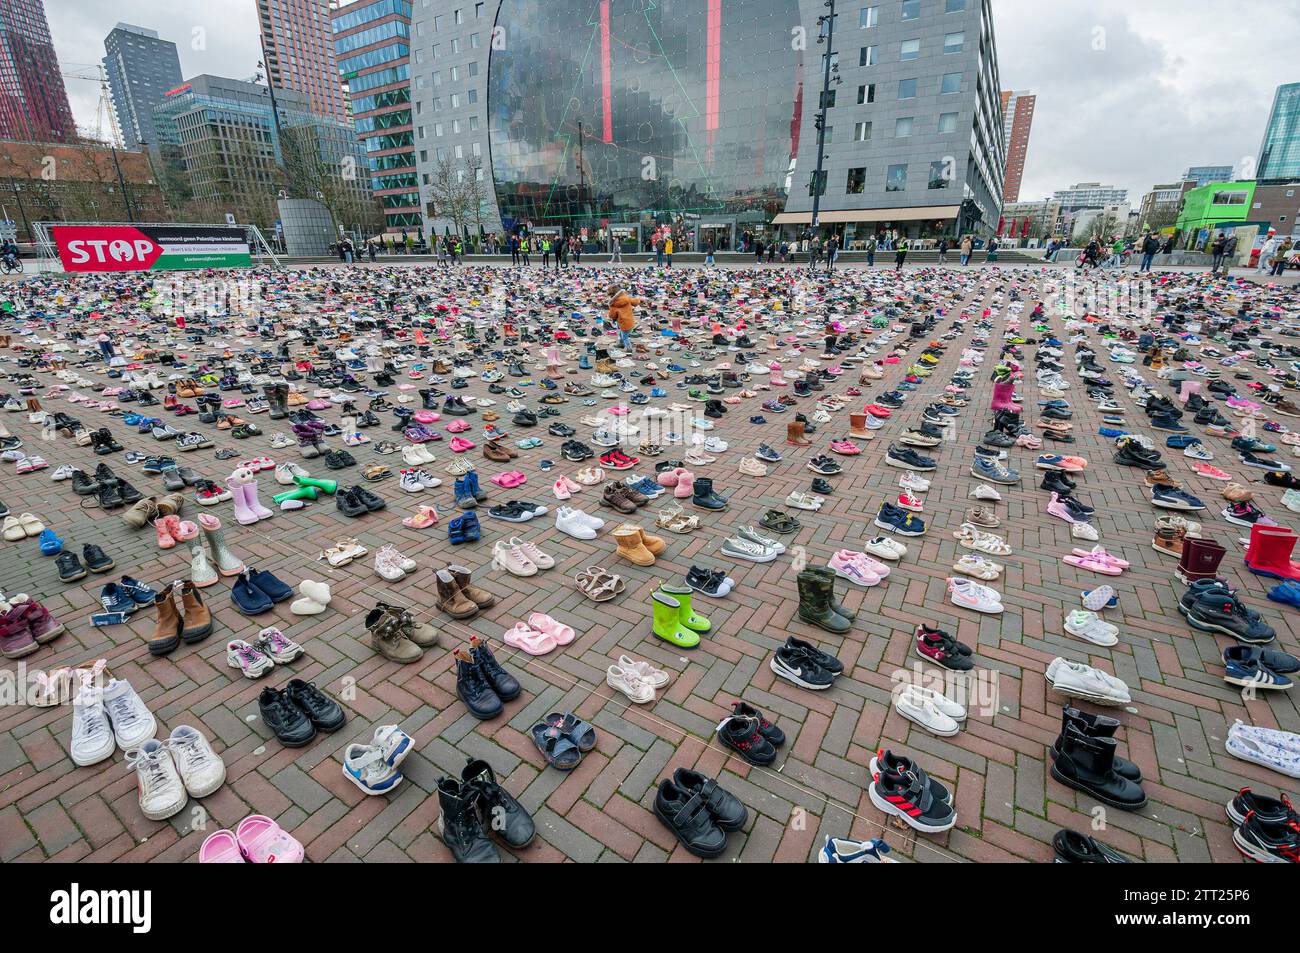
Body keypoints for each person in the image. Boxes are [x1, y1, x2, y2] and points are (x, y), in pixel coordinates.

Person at [608, 283, 640, 350]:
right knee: (621, 333)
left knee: (625, 337)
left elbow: (612, 315)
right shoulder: (626, 298)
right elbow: (635, 302)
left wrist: (613, 318)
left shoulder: (613, 304)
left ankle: (629, 349)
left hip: (623, 322)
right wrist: (638, 299)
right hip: (630, 320)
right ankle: (621, 344)